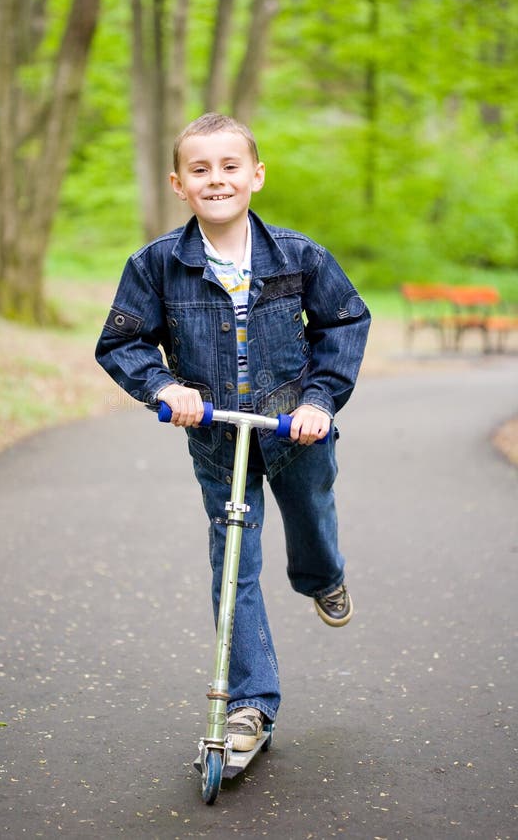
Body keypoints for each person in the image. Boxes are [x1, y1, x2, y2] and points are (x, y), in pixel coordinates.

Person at [96, 113, 370, 752]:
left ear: (256, 175)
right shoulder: (157, 265)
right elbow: (123, 341)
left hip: (294, 429)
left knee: (311, 517)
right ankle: (249, 705)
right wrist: (166, 389)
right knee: (234, 566)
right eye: (200, 170)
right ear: (178, 184)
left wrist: (321, 401)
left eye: (229, 166)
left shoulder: (298, 255)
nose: (216, 180)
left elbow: (345, 321)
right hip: (220, 440)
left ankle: (322, 576)